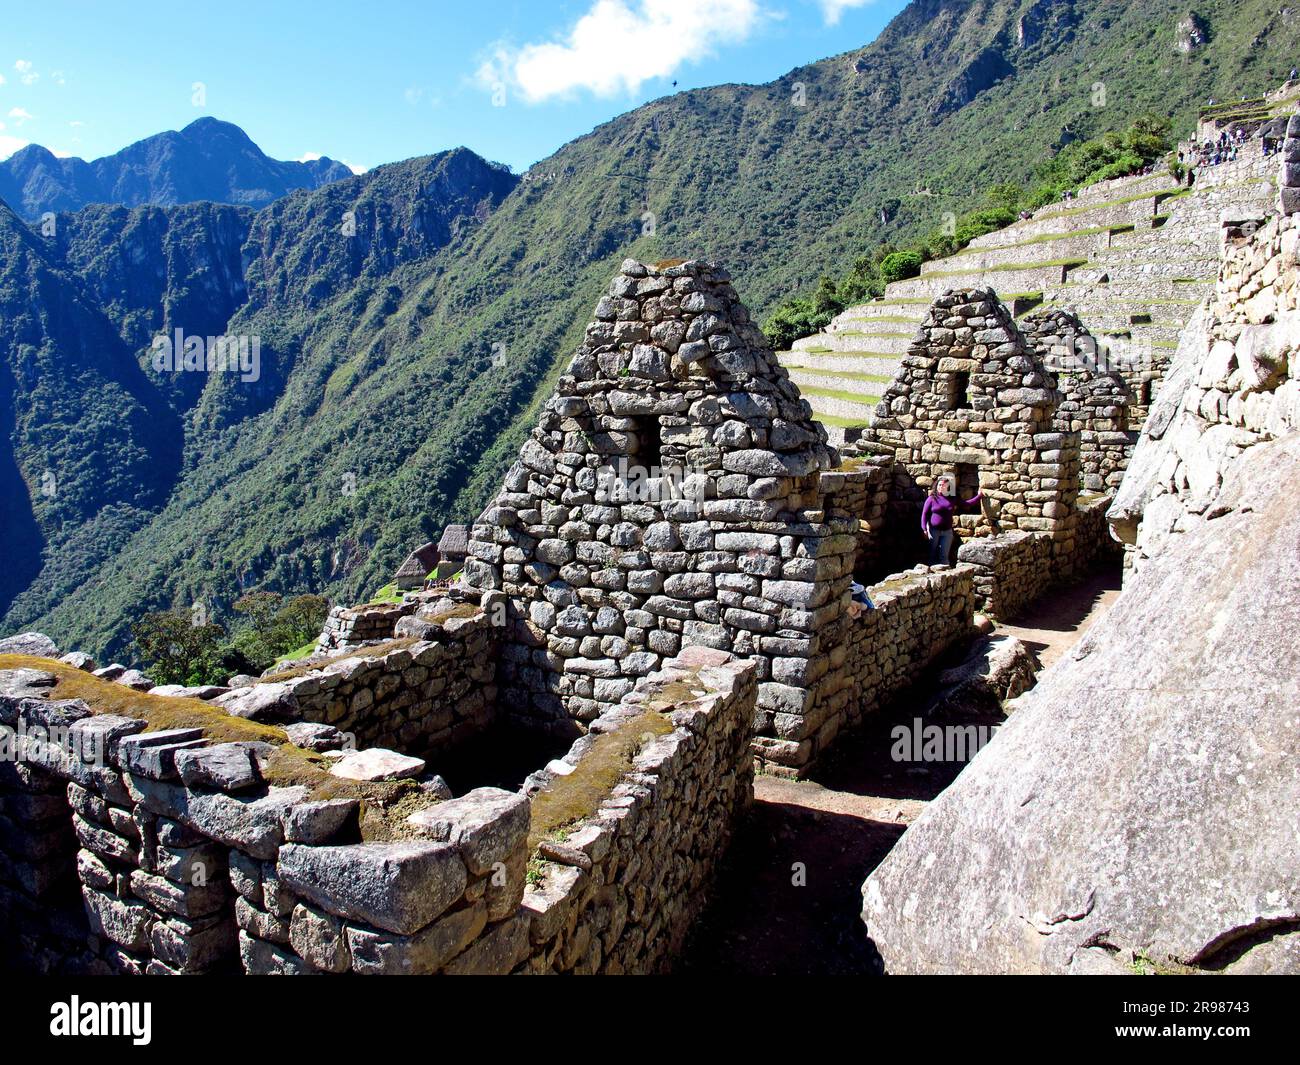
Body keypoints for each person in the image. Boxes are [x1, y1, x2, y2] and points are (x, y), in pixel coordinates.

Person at [922, 474, 983, 566]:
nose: (941, 487)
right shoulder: (931, 499)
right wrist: (924, 529)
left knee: (944, 555)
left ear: (948, 487)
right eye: (939, 485)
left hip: (947, 531)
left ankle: (945, 575)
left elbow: (966, 504)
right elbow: (924, 514)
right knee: (932, 554)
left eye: (943, 485)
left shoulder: (952, 499)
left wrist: (979, 496)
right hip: (933, 530)